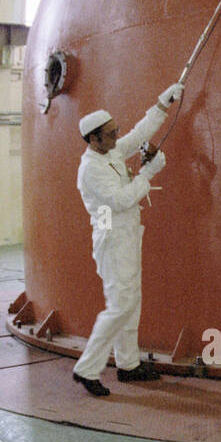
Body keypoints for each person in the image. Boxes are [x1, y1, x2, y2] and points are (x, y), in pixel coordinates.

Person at [72, 84, 184, 396]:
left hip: (127, 235)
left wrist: (162, 104)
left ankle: (128, 365)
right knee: (120, 305)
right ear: (93, 139)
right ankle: (87, 368)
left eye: (115, 130)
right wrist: (149, 173)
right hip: (112, 240)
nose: (116, 136)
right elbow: (120, 200)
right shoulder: (91, 170)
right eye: (110, 133)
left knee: (130, 300)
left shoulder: (110, 150)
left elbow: (138, 134)